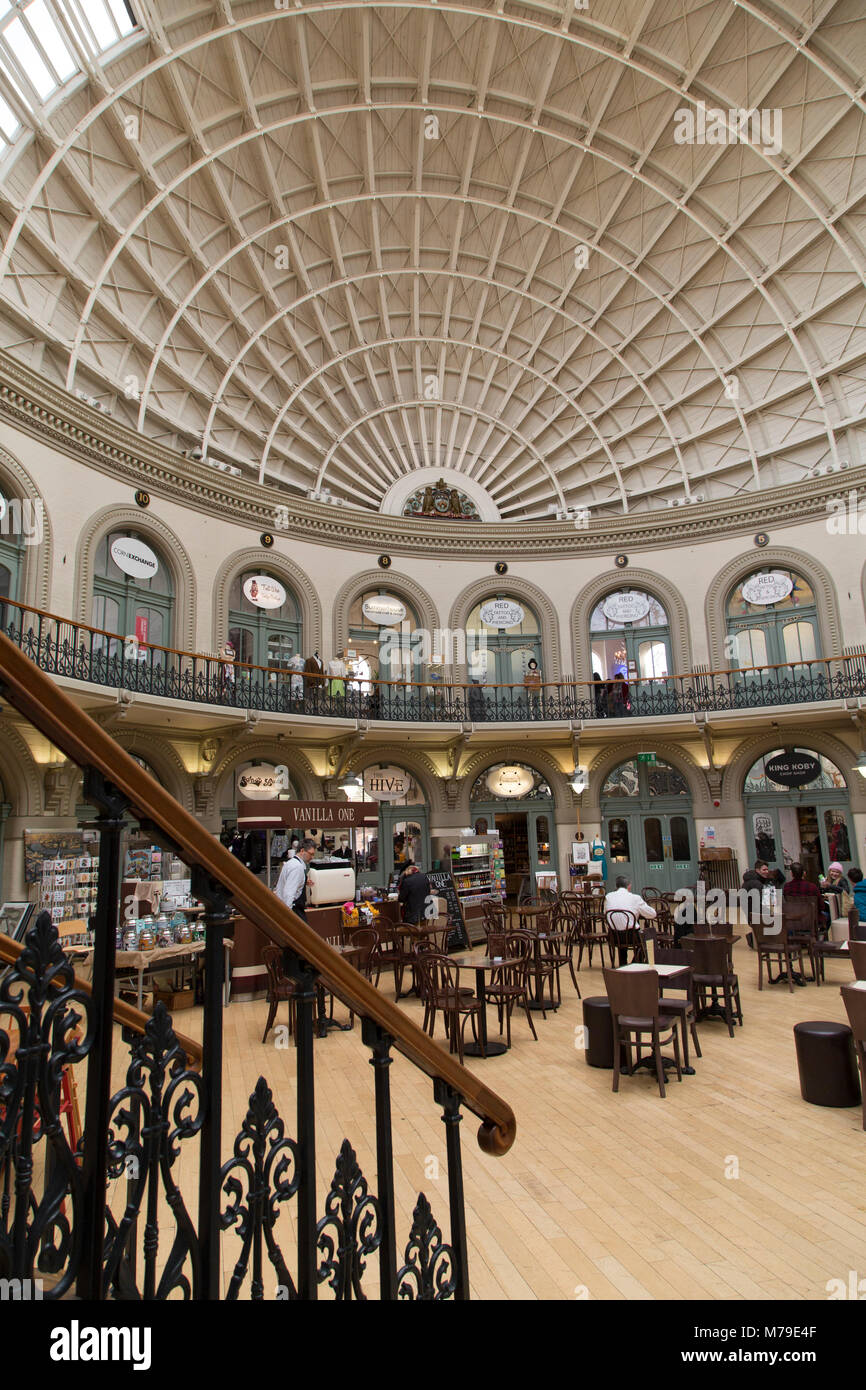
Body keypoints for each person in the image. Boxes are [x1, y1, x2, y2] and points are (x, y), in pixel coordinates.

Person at [605, 875, 656, 965]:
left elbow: (606, 913)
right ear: (629, 886)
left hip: (613, 936)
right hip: (631, 937)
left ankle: (623, 963)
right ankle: (635, 963)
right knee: (648, 938)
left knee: (621, 927)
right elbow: (652, 914)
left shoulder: (608, 897)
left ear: (616, 887)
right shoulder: (635, 898)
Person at [741, 858, 784, 947]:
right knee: (780, 915)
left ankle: (754, 938)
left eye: (767, 869)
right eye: (764, 870)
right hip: (757, 916)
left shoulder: (750, 881)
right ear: (757, 870)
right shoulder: (757, 884)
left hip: (751, 914)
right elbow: (770, 901)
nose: (767, 872)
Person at [274, 837, 316, 921]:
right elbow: (288, 892)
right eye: (310, 854)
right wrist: (288, 916)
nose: (312, 857)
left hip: (288, 908)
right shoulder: (297, 867)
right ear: (302, 851)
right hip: (293, 910)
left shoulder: (291, 863)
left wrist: (304, 881)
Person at [783, 861, 830, 930]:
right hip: (812, 919)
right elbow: (821, 906)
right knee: (828, 915)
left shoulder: (787, 887)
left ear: (791, 874)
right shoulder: (812, 887)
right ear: (804, 873)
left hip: (794, 919)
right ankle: (823, 937)